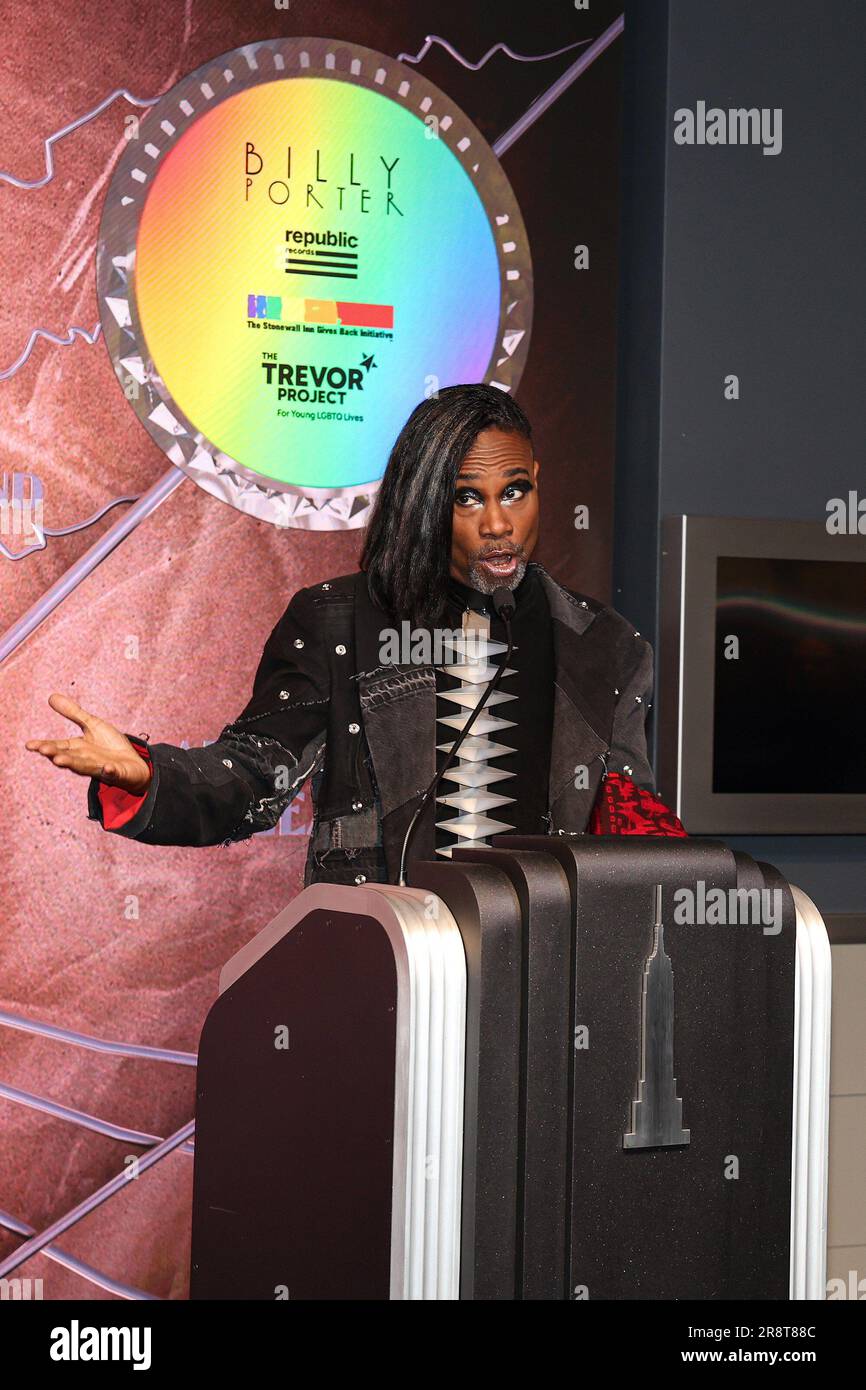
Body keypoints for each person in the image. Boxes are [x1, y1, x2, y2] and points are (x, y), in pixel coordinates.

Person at [25, 384, 685, 885]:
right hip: (389, 974)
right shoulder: (337, 622)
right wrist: (145, 772)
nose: (497, 523)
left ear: (537, 485)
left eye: (514, 492)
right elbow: (257, 779)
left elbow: (630, 836)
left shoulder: (606, 646)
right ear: (425, 502)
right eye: (466, 498)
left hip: (550, 989)